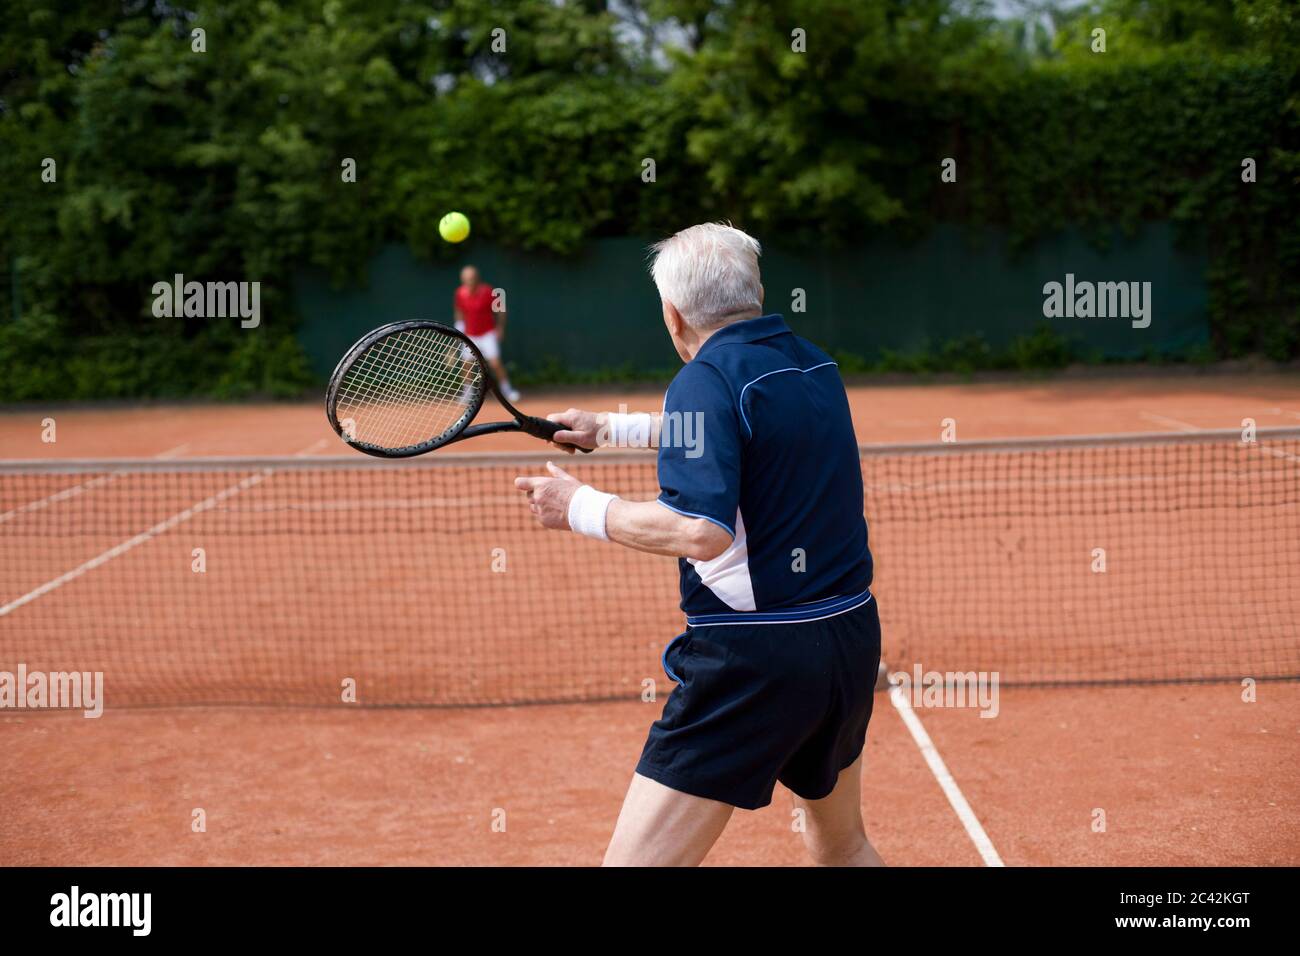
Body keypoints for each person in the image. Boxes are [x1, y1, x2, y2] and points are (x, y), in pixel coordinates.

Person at [514, 223, 883, 867]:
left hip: (754, 660)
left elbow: (701, 533)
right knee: (842, 848)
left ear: (672, 314)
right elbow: (735, 431)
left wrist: (581, 507)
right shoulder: (811, 361)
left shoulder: (705, 379)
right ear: (758, 290)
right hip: (848, 638)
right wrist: (612, 427)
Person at [454, 264, 520, 402]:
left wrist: (500, 328)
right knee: (466, 364)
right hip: (469, 334)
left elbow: (501, 310)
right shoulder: (459, 293)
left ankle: (507, 390)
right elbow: (459, 311)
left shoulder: (490, 291)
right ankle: (468, 393)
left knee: (495, 363)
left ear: (477, 279)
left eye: (471, 278)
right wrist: (459, 328)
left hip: (487, 334)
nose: (468, 281)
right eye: (466, 279)